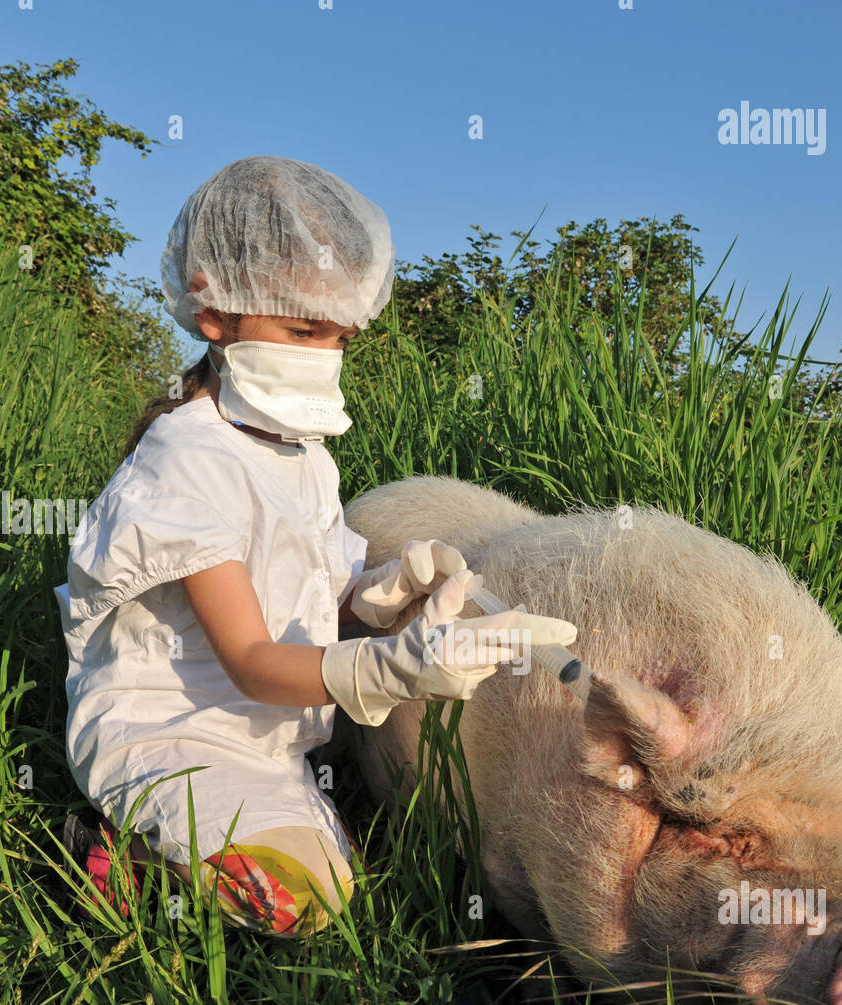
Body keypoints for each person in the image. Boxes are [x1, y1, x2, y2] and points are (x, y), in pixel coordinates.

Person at [55, 156, 576, 937]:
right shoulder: (186, 463)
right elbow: (250, 659)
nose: (322, 354)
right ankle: (105, 859)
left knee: (340, 888)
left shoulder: (305, 456)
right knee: (301, 901)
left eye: (339, 336)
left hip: (269, 732)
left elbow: (298, 600)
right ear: (212, 309)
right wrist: (392, 668)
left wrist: (376, 594)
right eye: (301, 329)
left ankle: (193, 855)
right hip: (173, 724)